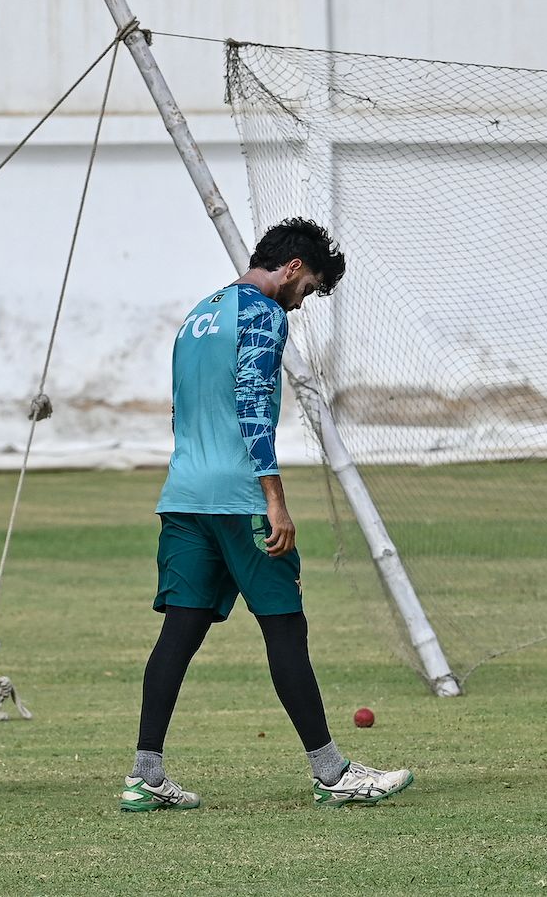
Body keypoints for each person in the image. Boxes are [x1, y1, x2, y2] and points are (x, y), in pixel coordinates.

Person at [121, 218, 414, 811]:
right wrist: (274, 499)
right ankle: (331, 773)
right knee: (285, 626)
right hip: (239, 501)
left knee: (179, 631)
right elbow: (255, 407)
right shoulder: (262, 313)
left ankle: (144, 774)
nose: (300, 304)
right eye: (306, 291)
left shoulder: (198, 315)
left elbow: (183, 409)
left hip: (183, 496)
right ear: (294, 268)